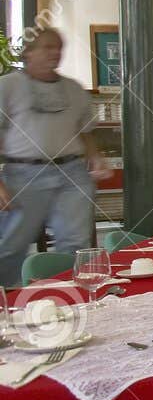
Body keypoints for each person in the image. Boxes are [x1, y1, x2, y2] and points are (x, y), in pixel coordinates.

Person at [0, 29, 112, 285]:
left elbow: (84, 131)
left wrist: (95, 157)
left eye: (59, 47)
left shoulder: (73, 89)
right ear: (28, 52)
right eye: (47, 47)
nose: (55, 53)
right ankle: (7, 302)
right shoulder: (7, 86)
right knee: (12, 245)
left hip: (71, 172)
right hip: (23, 174)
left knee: (75, 243)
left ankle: (69, 296)